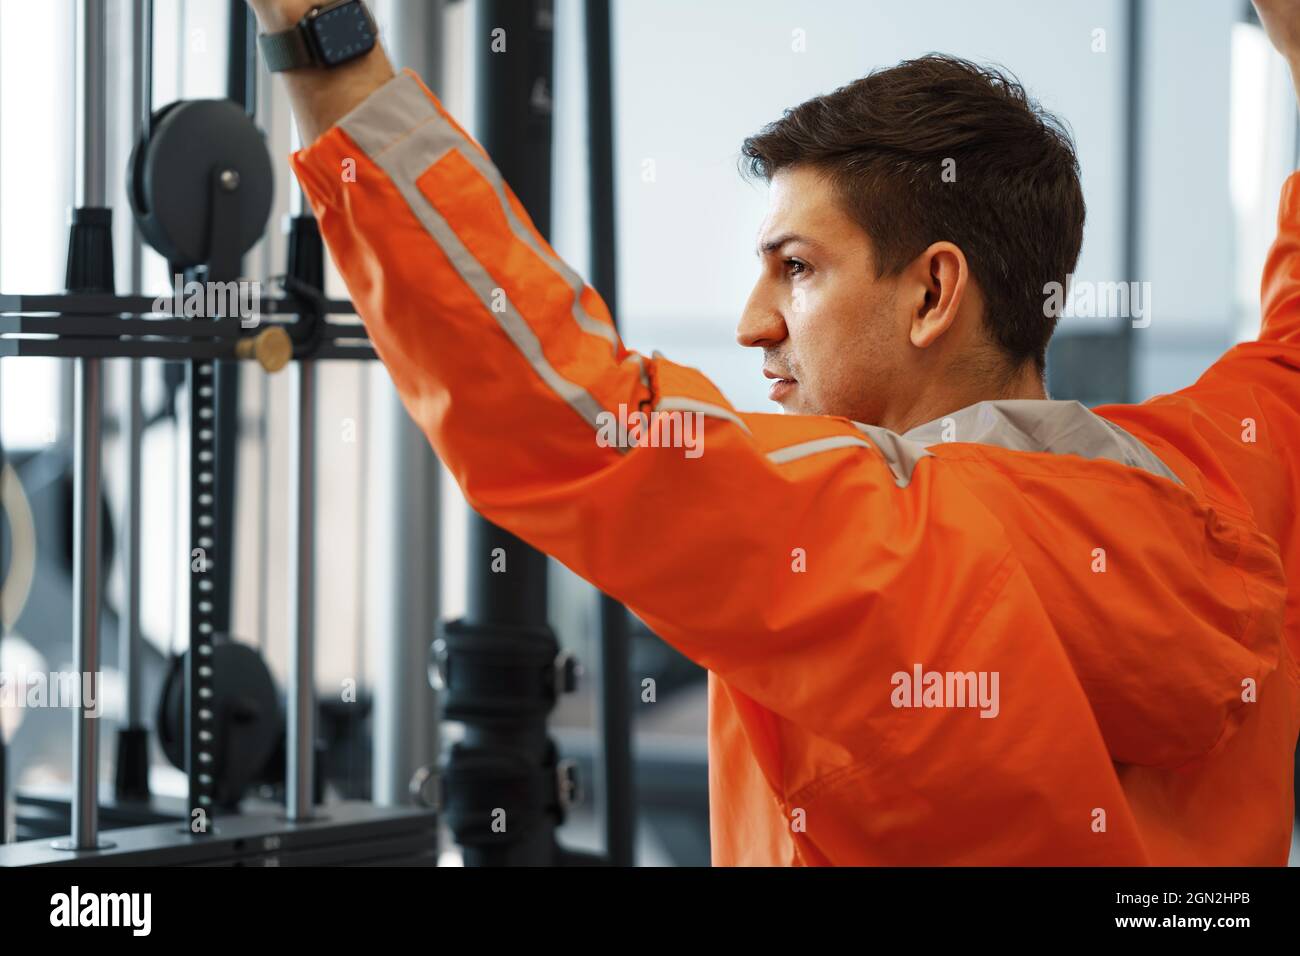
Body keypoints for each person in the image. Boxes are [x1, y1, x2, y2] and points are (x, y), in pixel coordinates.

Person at [249, 0, 1300, 865]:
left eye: (796, 268)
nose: (754, 322)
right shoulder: (1230, 472)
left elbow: (571, 419)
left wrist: (322, 40)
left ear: (934, 292)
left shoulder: (885, 541)